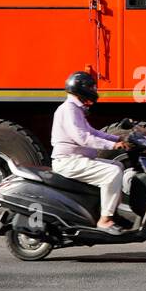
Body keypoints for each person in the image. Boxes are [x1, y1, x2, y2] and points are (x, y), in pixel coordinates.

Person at [50, 71, 127, 232]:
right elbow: (83, 138)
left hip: (76, 159)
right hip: (68, 161)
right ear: (82, 88)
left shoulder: (75, 108)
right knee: (112, 172)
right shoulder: (69, 109)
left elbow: (93, 132)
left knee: (118, 166)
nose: (94, 91)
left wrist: (116, 139)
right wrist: (112, 146)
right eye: (92, 87)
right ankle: (104, 221)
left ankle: (111, 213)